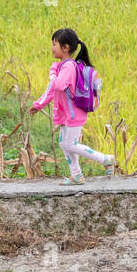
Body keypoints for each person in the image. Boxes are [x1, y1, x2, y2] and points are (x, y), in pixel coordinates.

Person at [30, 27, 115, 185]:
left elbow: (58, 85)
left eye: (55, 44)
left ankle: (105, 159)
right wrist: (38, 105)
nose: (52, 48)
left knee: (70, 144)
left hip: (75, 113)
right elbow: (51, 90)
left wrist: (52, 72)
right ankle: (76, 175)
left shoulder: (68, 66)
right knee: (63, 143)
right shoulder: (62, 66)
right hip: (66, 114)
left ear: (65, 48)